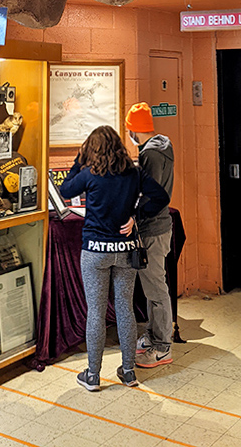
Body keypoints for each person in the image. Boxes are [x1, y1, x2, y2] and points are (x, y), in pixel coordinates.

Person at [60, 125, 169, 392]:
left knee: (96, 313)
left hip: (96, 251)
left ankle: (93, 375)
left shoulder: (89, 174)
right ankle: (129, 371)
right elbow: (161, 197)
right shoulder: (134, 173)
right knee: (124, 309)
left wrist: (78, 161)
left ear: (91, 150)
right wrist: (137, 216)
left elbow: (65, 190)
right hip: (125, 249)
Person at [125, 102, 175, 368]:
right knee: (151, 288)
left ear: (134, 130)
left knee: (156, 290)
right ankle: (152, 335)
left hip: (152, 229)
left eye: (129, 129)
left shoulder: (150, 155)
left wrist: (134, 214)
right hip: (160, 226)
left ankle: (162, 347)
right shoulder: (162, 145)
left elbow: (151, 194)